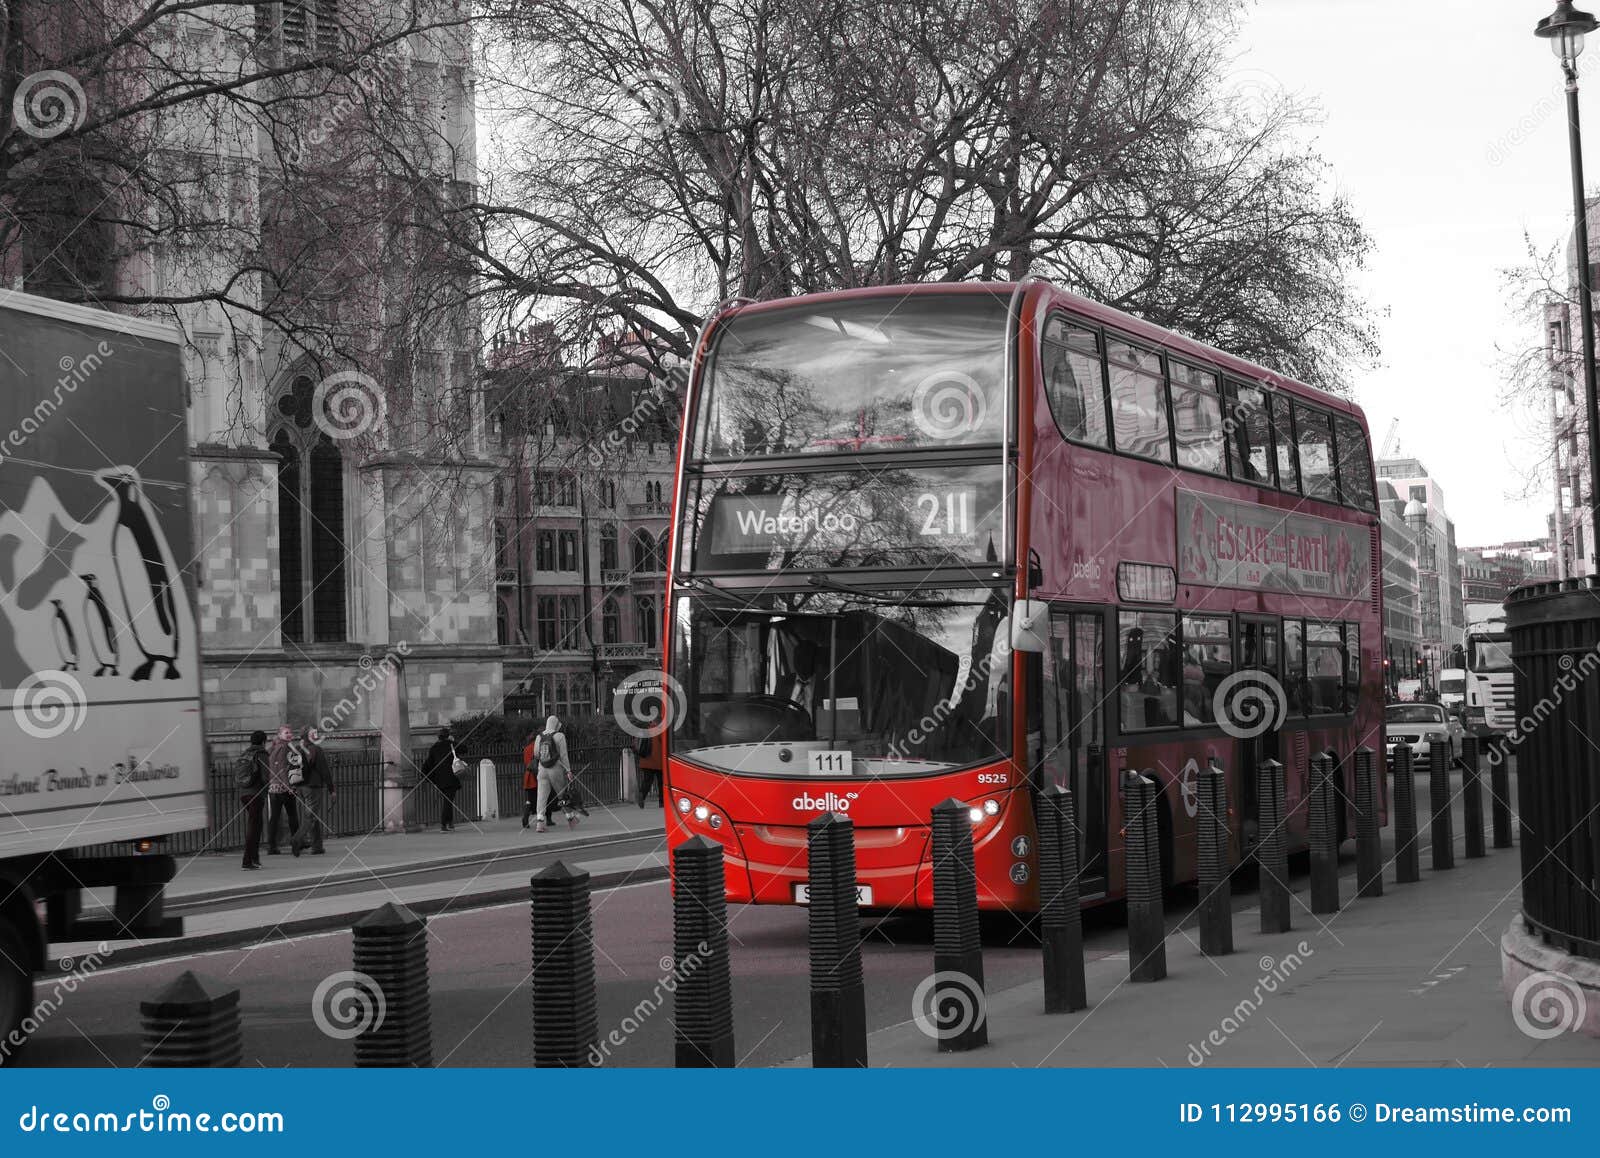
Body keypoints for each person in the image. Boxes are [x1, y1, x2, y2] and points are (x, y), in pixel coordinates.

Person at [291, 725, 334, 856]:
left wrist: (293, 785)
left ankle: (317, 846)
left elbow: (292, 768)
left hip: (300, 787)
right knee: (310, 817)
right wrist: (332, 789)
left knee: (312, 816)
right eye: (314, 733)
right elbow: (324, 771)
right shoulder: (316, 750)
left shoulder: (297, 749)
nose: (316, 735)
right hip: (313, 787)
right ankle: (296, 839)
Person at [531, 714, 575, 833]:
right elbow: (564, 756)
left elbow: (535, 754)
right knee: (562, 795)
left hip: (542, 769)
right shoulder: (560, 736)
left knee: (541, 796)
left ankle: (540, 824)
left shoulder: (539, 737)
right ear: (556, 724)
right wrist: (568, 770)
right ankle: (571, 819)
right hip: (556, 769)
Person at [237, 730, 270, 870]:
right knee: (253, 827)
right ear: (263, 741)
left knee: (257, 825)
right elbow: (265, 776)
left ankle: (255, 859)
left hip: (244, 793)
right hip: (255, 794)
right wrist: (268, 788)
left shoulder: (245, 753)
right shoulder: (262, 754)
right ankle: (247, 861)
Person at [265, 724, 300, 854]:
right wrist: (288, 786)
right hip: (283, 788)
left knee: (274, 818)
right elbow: (282, 768)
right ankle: (296, 843)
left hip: (272, 787)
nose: (290, 734)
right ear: (280, 735)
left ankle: (272, 846)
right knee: (293, 816)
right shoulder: (285, 747)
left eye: (290, 732)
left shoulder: (272, 748)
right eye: (286, 733)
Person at [424, 727, 461, 832]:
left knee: (448, 801)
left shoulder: (434, 748)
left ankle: (450, 823)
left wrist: (429, 779)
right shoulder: (451, 745)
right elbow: (464, 748)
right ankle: (444, 824)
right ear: (448, 736)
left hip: (439, 779)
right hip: (451, 777)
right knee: (448, 802)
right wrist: (453, 741)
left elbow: (428, 765)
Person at [634, 728, 663, 809]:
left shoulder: (644, 731)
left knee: (647, 781)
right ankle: (662, 802)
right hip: (658, 761)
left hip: (645, 761)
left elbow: (636, 744)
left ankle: (642, 794)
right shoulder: (660, 731)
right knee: (661, 782)